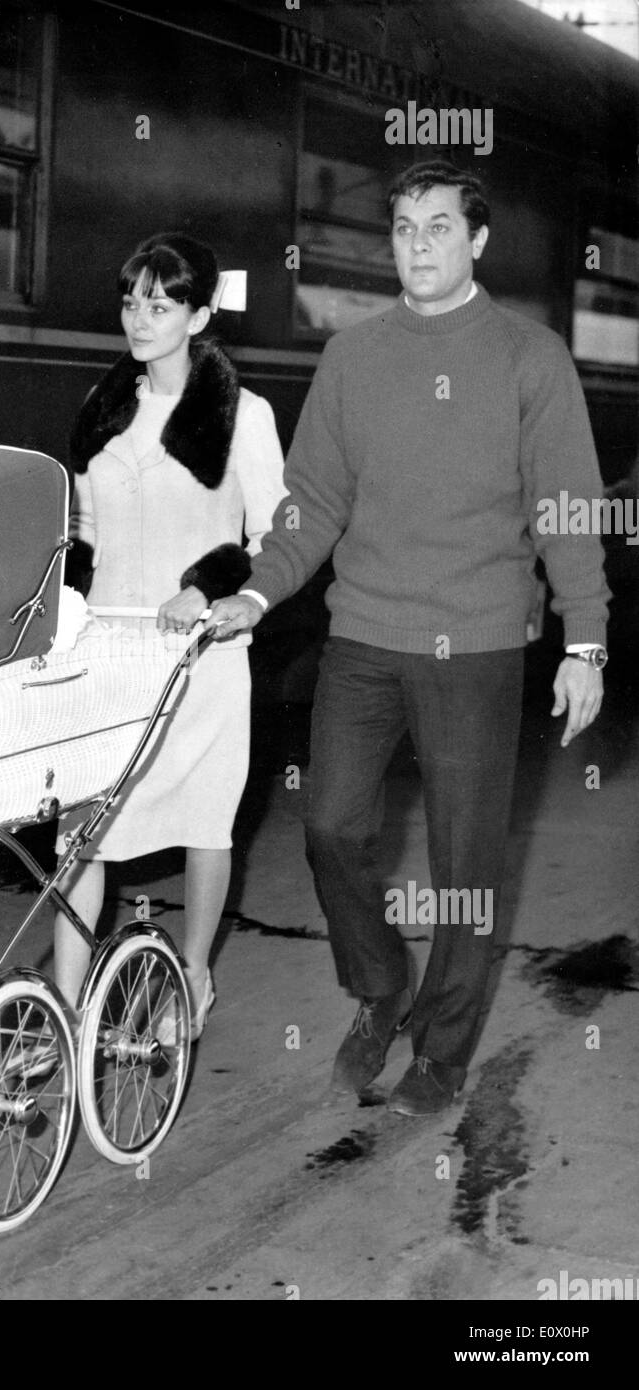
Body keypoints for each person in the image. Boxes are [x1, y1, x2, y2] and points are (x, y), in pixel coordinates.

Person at [209, 161, 609, 1115]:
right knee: (331, 825)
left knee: (467, 862)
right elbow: (312, 506)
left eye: (438, 227)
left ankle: (443, 1048)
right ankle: (381, 986)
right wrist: (258, 596)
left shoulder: (530, 355)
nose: (418, 244)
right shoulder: (354, 357)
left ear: (476, 242)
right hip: (366, 633)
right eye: (402, 228)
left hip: (474, 641)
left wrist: (585, 641)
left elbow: (565, 507)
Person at [53, 232, 286, 1037]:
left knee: (204, 821)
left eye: (162, 302)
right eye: (131, 300)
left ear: (200, 313)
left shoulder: (243, 415)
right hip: (106, 652)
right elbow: (77, 527)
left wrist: (209, 589)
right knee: (79, 835)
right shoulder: (103, 407)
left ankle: (191, 975)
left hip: (200, 659)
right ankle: (67, 1010)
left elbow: (274, 536)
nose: (141, 318)